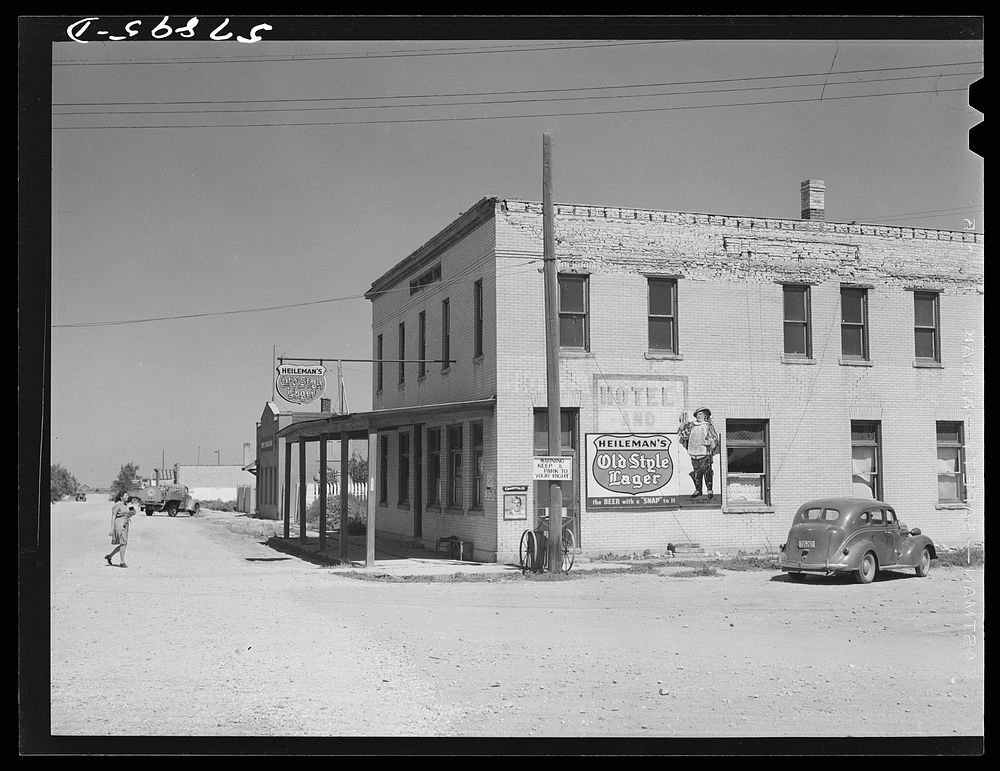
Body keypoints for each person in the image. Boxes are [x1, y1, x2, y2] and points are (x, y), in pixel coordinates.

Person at [686, 407, 720, 501]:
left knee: (707, 472)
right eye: (697, 414)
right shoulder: (692, 425)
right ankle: (698, 490)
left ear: (705, 415)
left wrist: (709, 442)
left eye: (700, 414)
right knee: (697, 473)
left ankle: (709, 490)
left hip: (704, 453)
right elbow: (686, 436)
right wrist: (682, 426)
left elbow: (715, 439)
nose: (698, 416)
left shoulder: (708, 426)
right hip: (693, 453)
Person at [105, 492, 136, 567]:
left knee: (124, 543)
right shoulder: (117, 504)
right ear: (121, 497)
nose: (127, 496)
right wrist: (112, 528)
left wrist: (131, 509)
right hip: (119, 524)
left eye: (127, 495)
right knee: (123, 543)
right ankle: (122, 562)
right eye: (125, 495)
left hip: (125, 524)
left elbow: (132, 513)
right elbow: (113, 516)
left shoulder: (127, 505)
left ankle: (109, 556)